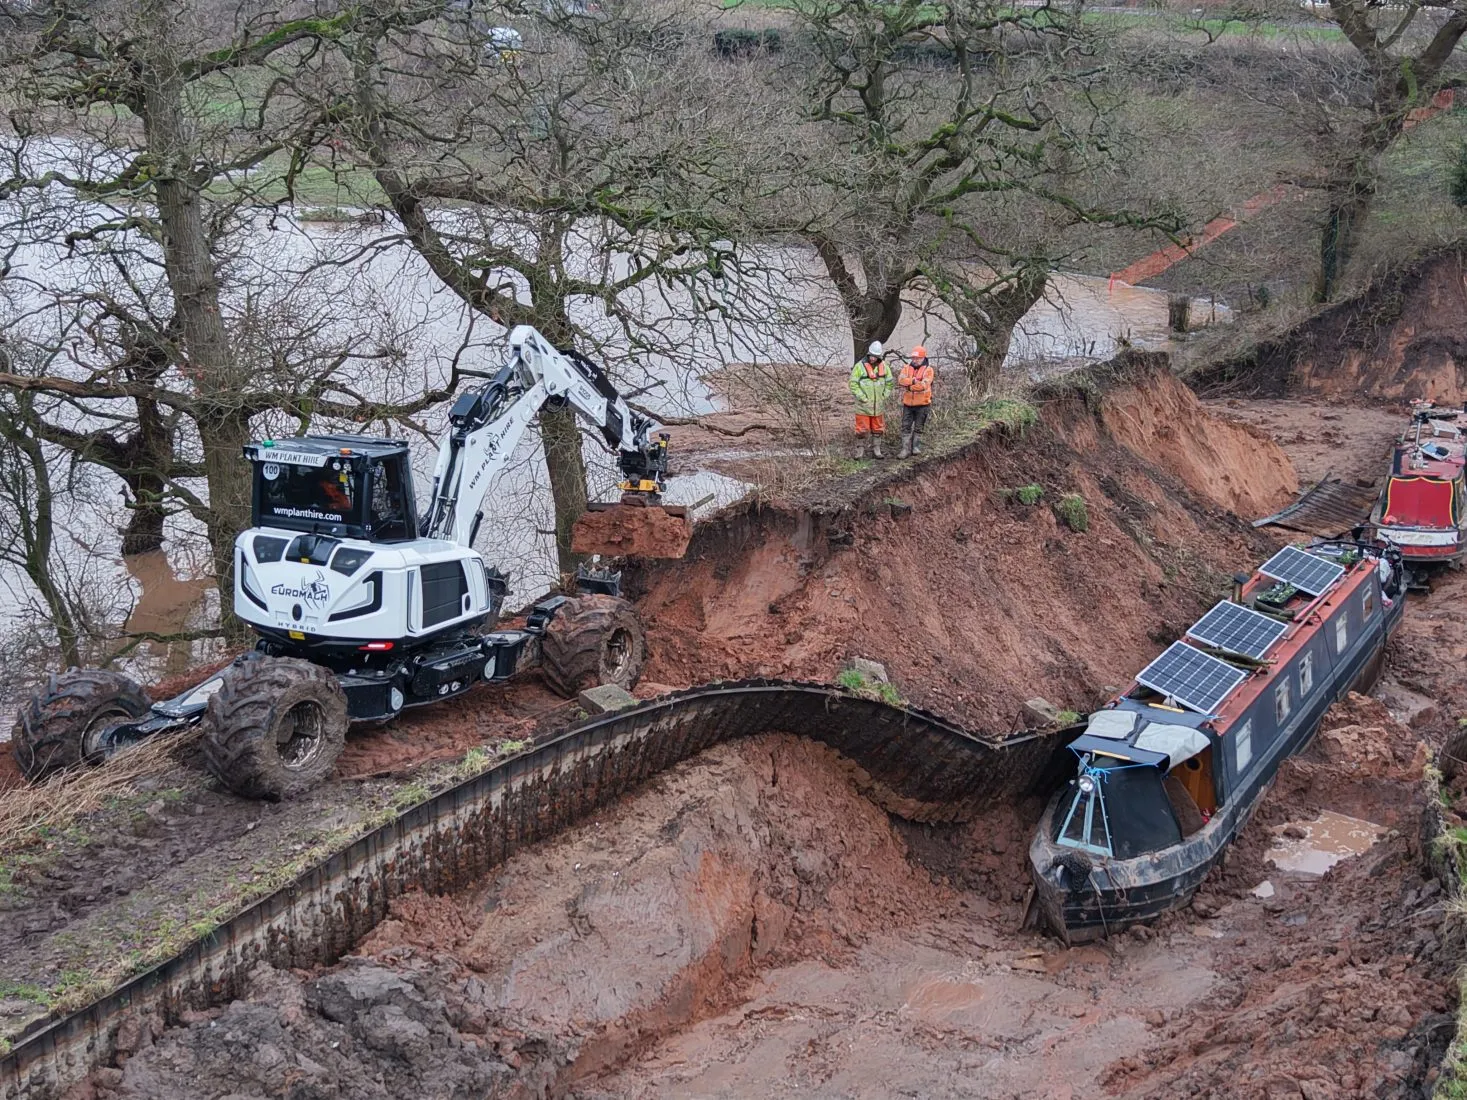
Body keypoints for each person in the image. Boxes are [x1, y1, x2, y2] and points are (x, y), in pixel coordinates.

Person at [848, 341, 893, 459]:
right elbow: (853, 384)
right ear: (868, 354)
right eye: (871, 356)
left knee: (878, 429)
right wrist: (862, 397)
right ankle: (859, 452)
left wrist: (884, 395)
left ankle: (877, 450)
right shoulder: (859, 366)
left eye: (875, 356)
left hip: (878, 406)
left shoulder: (884, 367)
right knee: (861, 430)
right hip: (863, 406)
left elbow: (889, 383)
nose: (873, 358)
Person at [897, 345, 934, 458]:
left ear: (923, 358)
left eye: (917, 358)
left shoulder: (928, 370)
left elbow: (923, 385)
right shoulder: (906, 368)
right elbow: (901, 380)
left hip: (923, 404)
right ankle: (905, 449)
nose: (915, 360)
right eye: (913, 358)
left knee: (919, 427)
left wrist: (909, 387)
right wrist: (913, 381)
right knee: (905, 426)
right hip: (908, 404)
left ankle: (916, 447)